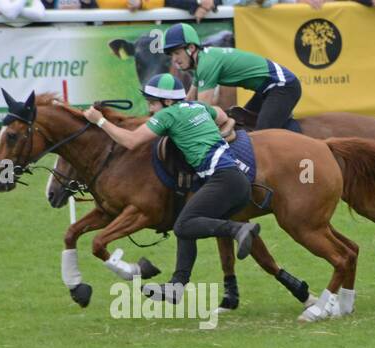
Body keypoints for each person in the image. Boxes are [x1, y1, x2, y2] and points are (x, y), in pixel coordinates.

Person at [82, 73, 259, 304]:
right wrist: (218, 133)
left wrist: (100, 121)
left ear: (167, 102)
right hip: (236, 182)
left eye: (153, 103)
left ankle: (237, 230)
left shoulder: (168, 115)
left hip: (223, 181)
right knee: (187, 226)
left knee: (183, 225)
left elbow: (131, 142)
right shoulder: (197, 106)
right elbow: (223, 116)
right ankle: (176, 286)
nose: (150, 108)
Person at [162, 22, 302, 131]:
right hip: (269, 88)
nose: (174, 59)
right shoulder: (203, 61)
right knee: (243, 125)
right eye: (171, 55)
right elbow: (189, 99)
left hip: (283, 86)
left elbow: (201, 110)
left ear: (191, 48)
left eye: (177, 53)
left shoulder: (206, 64)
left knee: (262, 135)